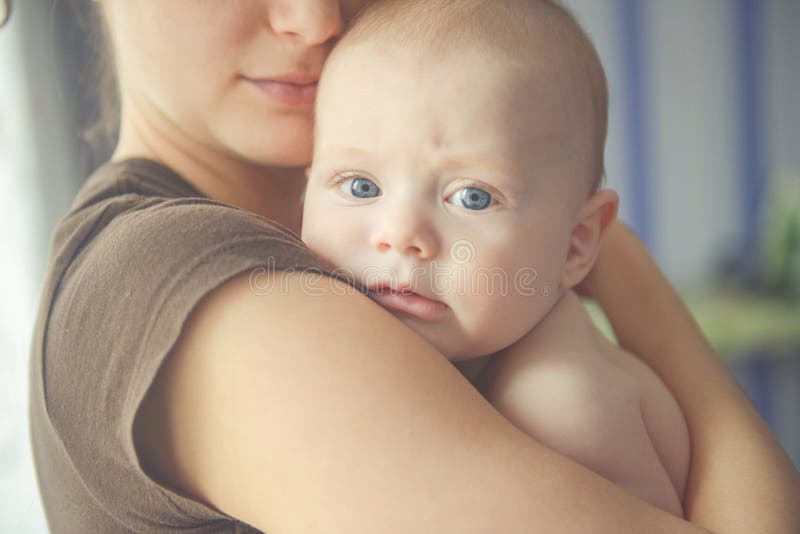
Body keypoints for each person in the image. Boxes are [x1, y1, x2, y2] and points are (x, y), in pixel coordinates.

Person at [27, 0, 799, 533]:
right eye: (359, 185)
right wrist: (627, 280)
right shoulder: (192, 281)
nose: (315, 19)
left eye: (471, 195)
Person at [300, 0, 688, 516]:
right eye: (360, 185)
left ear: (576, 243)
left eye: (473, 197)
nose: (399, 234)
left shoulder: (556, 404)